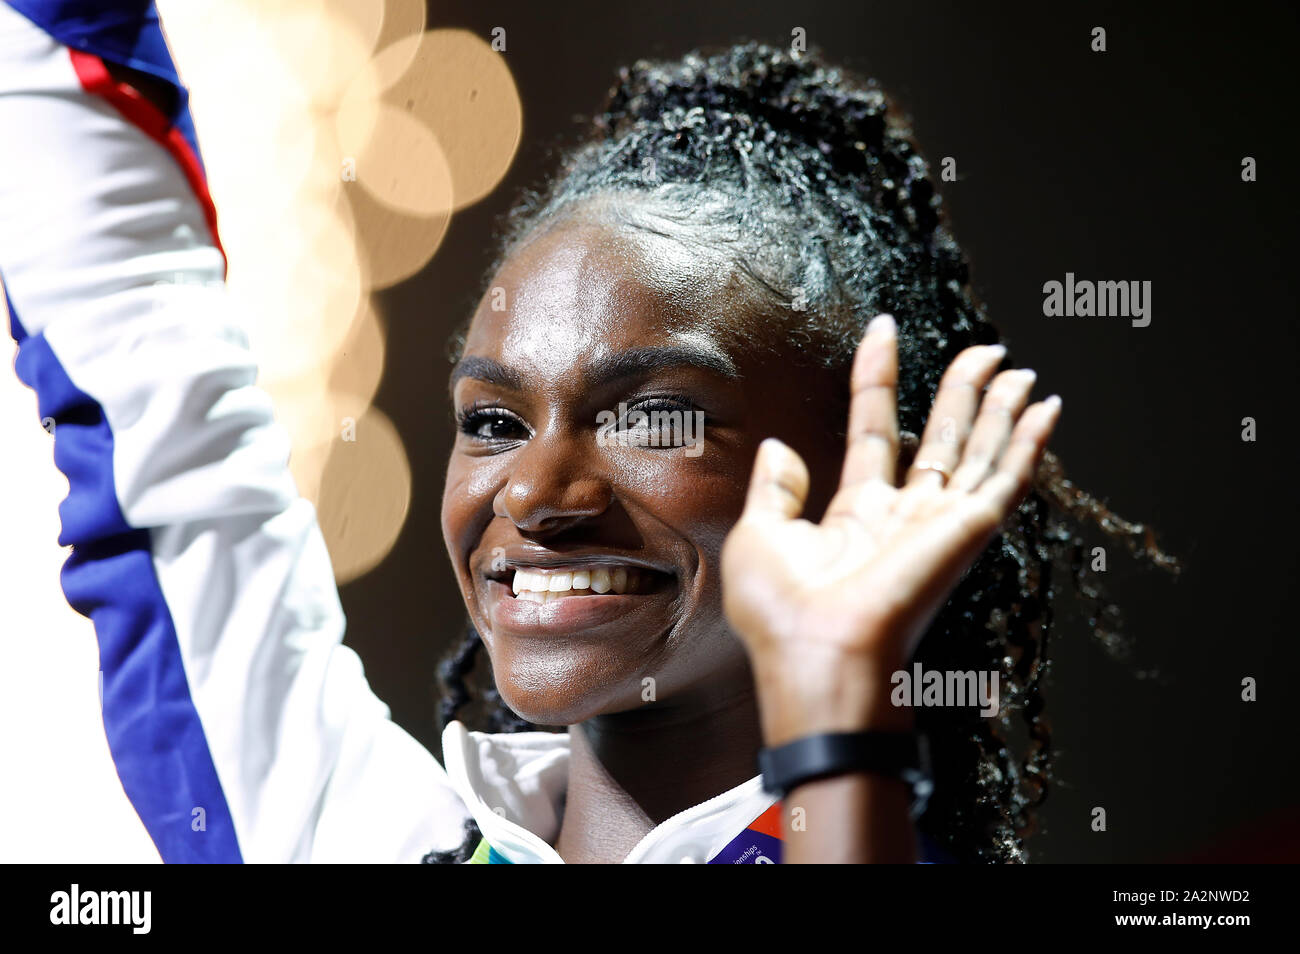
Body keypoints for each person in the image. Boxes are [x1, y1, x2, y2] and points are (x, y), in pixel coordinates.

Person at [0, 2, 1171, 863]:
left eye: (654, 414)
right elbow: (139, 349)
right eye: (495, 421)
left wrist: (835, 722)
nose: (538, 492)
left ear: (861, 482)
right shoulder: (332, 830)